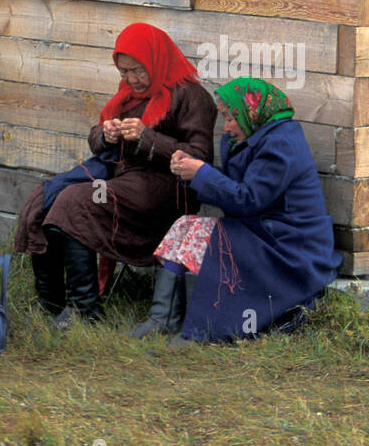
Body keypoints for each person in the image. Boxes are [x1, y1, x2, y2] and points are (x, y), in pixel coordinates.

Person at [14, 23, 217, 329]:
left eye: (138, 70)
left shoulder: (192, 96)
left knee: (76, 201)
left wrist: (148, 139)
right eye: (123, 72)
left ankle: (85, 310)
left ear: (156, 60)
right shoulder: (128, 96)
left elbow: (199, 158)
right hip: (123, 177)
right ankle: (51, 303)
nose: (131, 79)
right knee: (45, 197)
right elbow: (97, 143)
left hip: (165, 189)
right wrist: (106, 135)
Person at [131, 77, 342, 343]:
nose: (227, 127)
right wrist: (192, 171)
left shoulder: (281, 144)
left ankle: (199, 329)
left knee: (201, 234)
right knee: (184, 225)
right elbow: (239, 188)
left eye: (231, 118)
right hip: (262, 229)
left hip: (290, 243)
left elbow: (248, 198)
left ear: (250, 112)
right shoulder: (255, 135)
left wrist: (202, 173)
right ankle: (163, 319)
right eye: (224, 118)